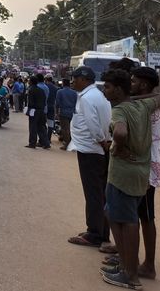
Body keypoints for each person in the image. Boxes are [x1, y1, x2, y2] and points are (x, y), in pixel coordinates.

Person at [98, 68, 160, 290]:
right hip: (139, 171)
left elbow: (119, 133)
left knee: (127, 221)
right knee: (116, 214)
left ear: (118, 89)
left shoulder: (120, 110)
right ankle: (127, 266)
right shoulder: (142, 105)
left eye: (107, 86)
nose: (104, 90)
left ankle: (131, 275)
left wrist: (118, 146)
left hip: (123, 174)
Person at [67, 65, 112, 249]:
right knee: (100, 193)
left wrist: (101, 140)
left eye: (75, 78)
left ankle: (94, 233)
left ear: (84, 79)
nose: (72, 81)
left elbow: (94, 125)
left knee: (93, 193)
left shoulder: (87, 98)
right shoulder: (97, 96)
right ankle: (101, 231)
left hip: (91, 150)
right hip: (96, 149)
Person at [25, 73, 49, 149]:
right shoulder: (41, 90)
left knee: (33, 127)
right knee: (42, 127)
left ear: (31, 82)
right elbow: (45, 101)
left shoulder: (31, 90)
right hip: (42, 110)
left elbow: (30, 102)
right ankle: (46, 143)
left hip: (34, 110)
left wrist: (28, 111)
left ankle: (32, 143)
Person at [56, 79, 77, 150]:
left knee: (65, 129)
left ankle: (66, 144)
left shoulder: (60, 92)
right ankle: (70, 143)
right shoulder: (74, 93)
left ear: (63, 84)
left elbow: (57, 103)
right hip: (72, 113)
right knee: (70, 129)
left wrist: (56, 112)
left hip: (63, 112)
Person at [45, 74, 59, 139]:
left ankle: (43, 139)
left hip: (45, 107)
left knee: (43, 123)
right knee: (50, 124)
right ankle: (48, 138)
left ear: (46, 79)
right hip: (52, 107)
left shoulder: (45, 87)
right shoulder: (56, 88)